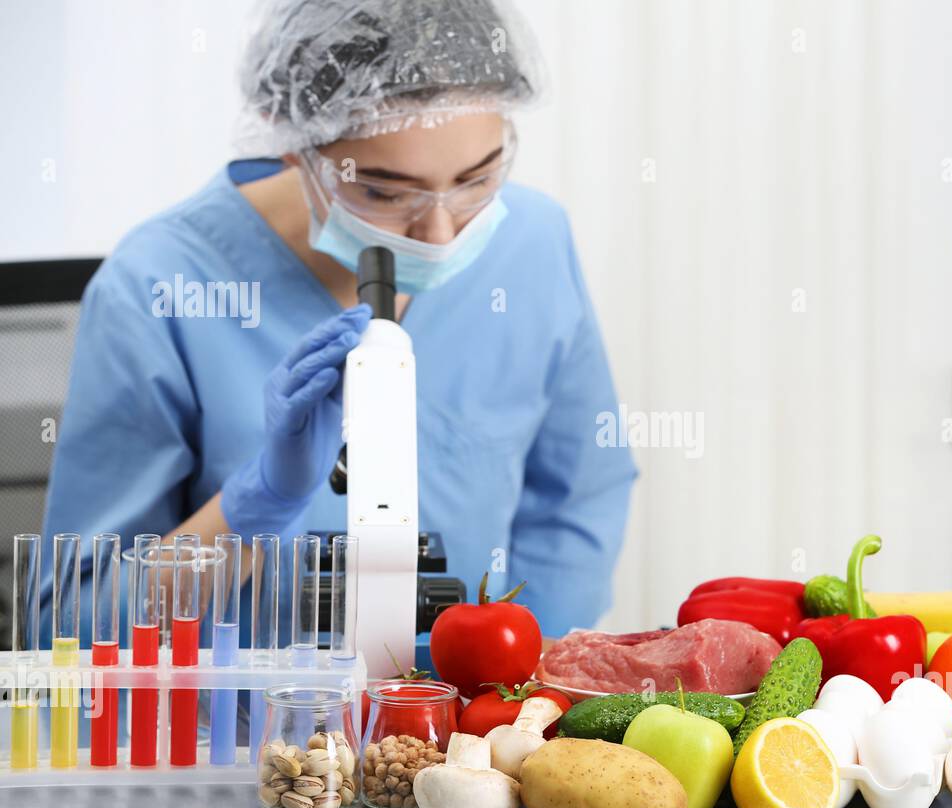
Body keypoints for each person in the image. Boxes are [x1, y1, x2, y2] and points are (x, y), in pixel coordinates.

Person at [41, 0, 637, 640]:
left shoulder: (533, 244)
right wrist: (253, 507)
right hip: (240, 728)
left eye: (477, 179)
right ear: (292, 142)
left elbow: (576, 504)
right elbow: (76, 625)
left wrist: (503, 691)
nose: (438, 233)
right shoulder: (160, 285)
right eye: (383, 192)